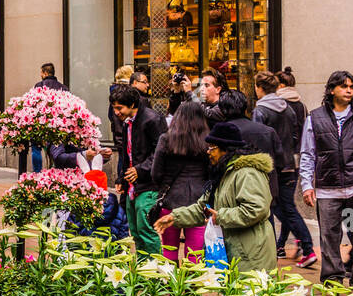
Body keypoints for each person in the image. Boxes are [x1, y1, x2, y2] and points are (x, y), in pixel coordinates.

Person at [154, 121, 277, 272]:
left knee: (249, 294)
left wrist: (221, 216)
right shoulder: (222, 173)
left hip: (251, 254)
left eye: (212, 147)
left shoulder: (247, 172)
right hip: (233, 251)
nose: (208, 151)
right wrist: (175, 217)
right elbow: (203, 208)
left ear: (226, 149)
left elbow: (256, 209)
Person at [299, 70, 353, 285]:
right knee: (329, 236)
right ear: (331, 90)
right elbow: (308, 154)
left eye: (351, 86)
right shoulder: (315, 118)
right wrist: (307, 185)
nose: (349, 90)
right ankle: (332, 279)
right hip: (328, 189)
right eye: (344, 86)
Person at [254, 70, 317, 268]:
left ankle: (281, 248)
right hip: (289, 164)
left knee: (272, 208)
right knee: (285, 207)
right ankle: (303, 247)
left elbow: (258, 139)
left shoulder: (261, 110)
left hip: (269, 166)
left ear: (260, 88)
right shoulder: (288, 109)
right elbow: (297, 136)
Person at [151, 100, 211, 263]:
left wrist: (162, 186)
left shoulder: (165, 139)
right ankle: (191, 287)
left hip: (171, 199)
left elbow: (156, 173)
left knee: (169, 250)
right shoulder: (207, 142)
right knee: (195, 253)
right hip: (198, 203)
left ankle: (170, 286)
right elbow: (210, 172)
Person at [111, 83, 167, 255]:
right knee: (135, 232)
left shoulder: (152, 119)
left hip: (148, 186)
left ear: (132, 105)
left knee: (146, 232)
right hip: (133, 186)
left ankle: (153, 273)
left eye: (119, 108)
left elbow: (162, 151)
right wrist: (121, 178)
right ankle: (143, 272)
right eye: (114, 108)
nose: (116, 112)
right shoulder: (128, 123)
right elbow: (127, 154)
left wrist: (140, 169)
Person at [31, 62, 69, 171]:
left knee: (36, 148)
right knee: (56, 149)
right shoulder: (63, 88)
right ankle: (55, 171)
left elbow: (34, 104)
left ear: (45, 73)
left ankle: (37, 172)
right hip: (58, 125)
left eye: (41, 72)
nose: (40, 75)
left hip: (41, 124)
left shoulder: (39, 86)